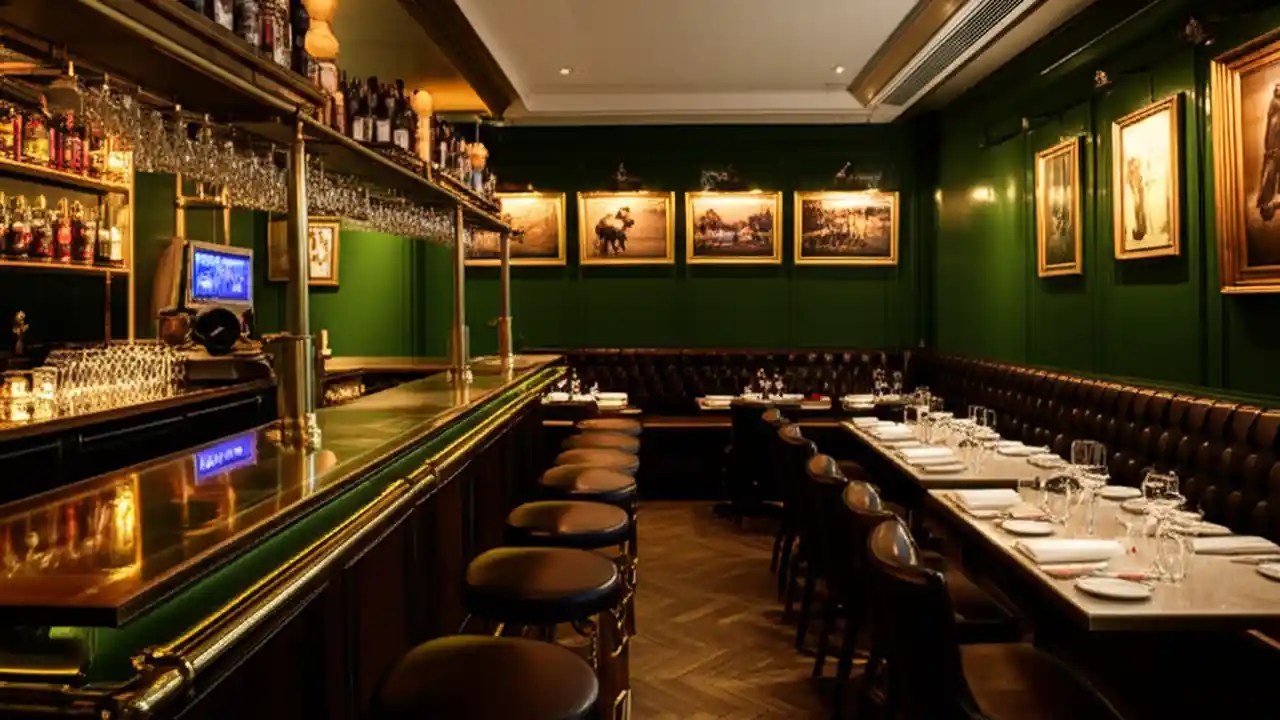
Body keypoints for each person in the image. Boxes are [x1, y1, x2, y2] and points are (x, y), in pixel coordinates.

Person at [1257, 82, 1280, 221]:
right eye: (1276, 90)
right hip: (1273, 148)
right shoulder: (1273, 107)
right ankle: (1266, 201)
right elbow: (1270, 130)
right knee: (1270, 173)